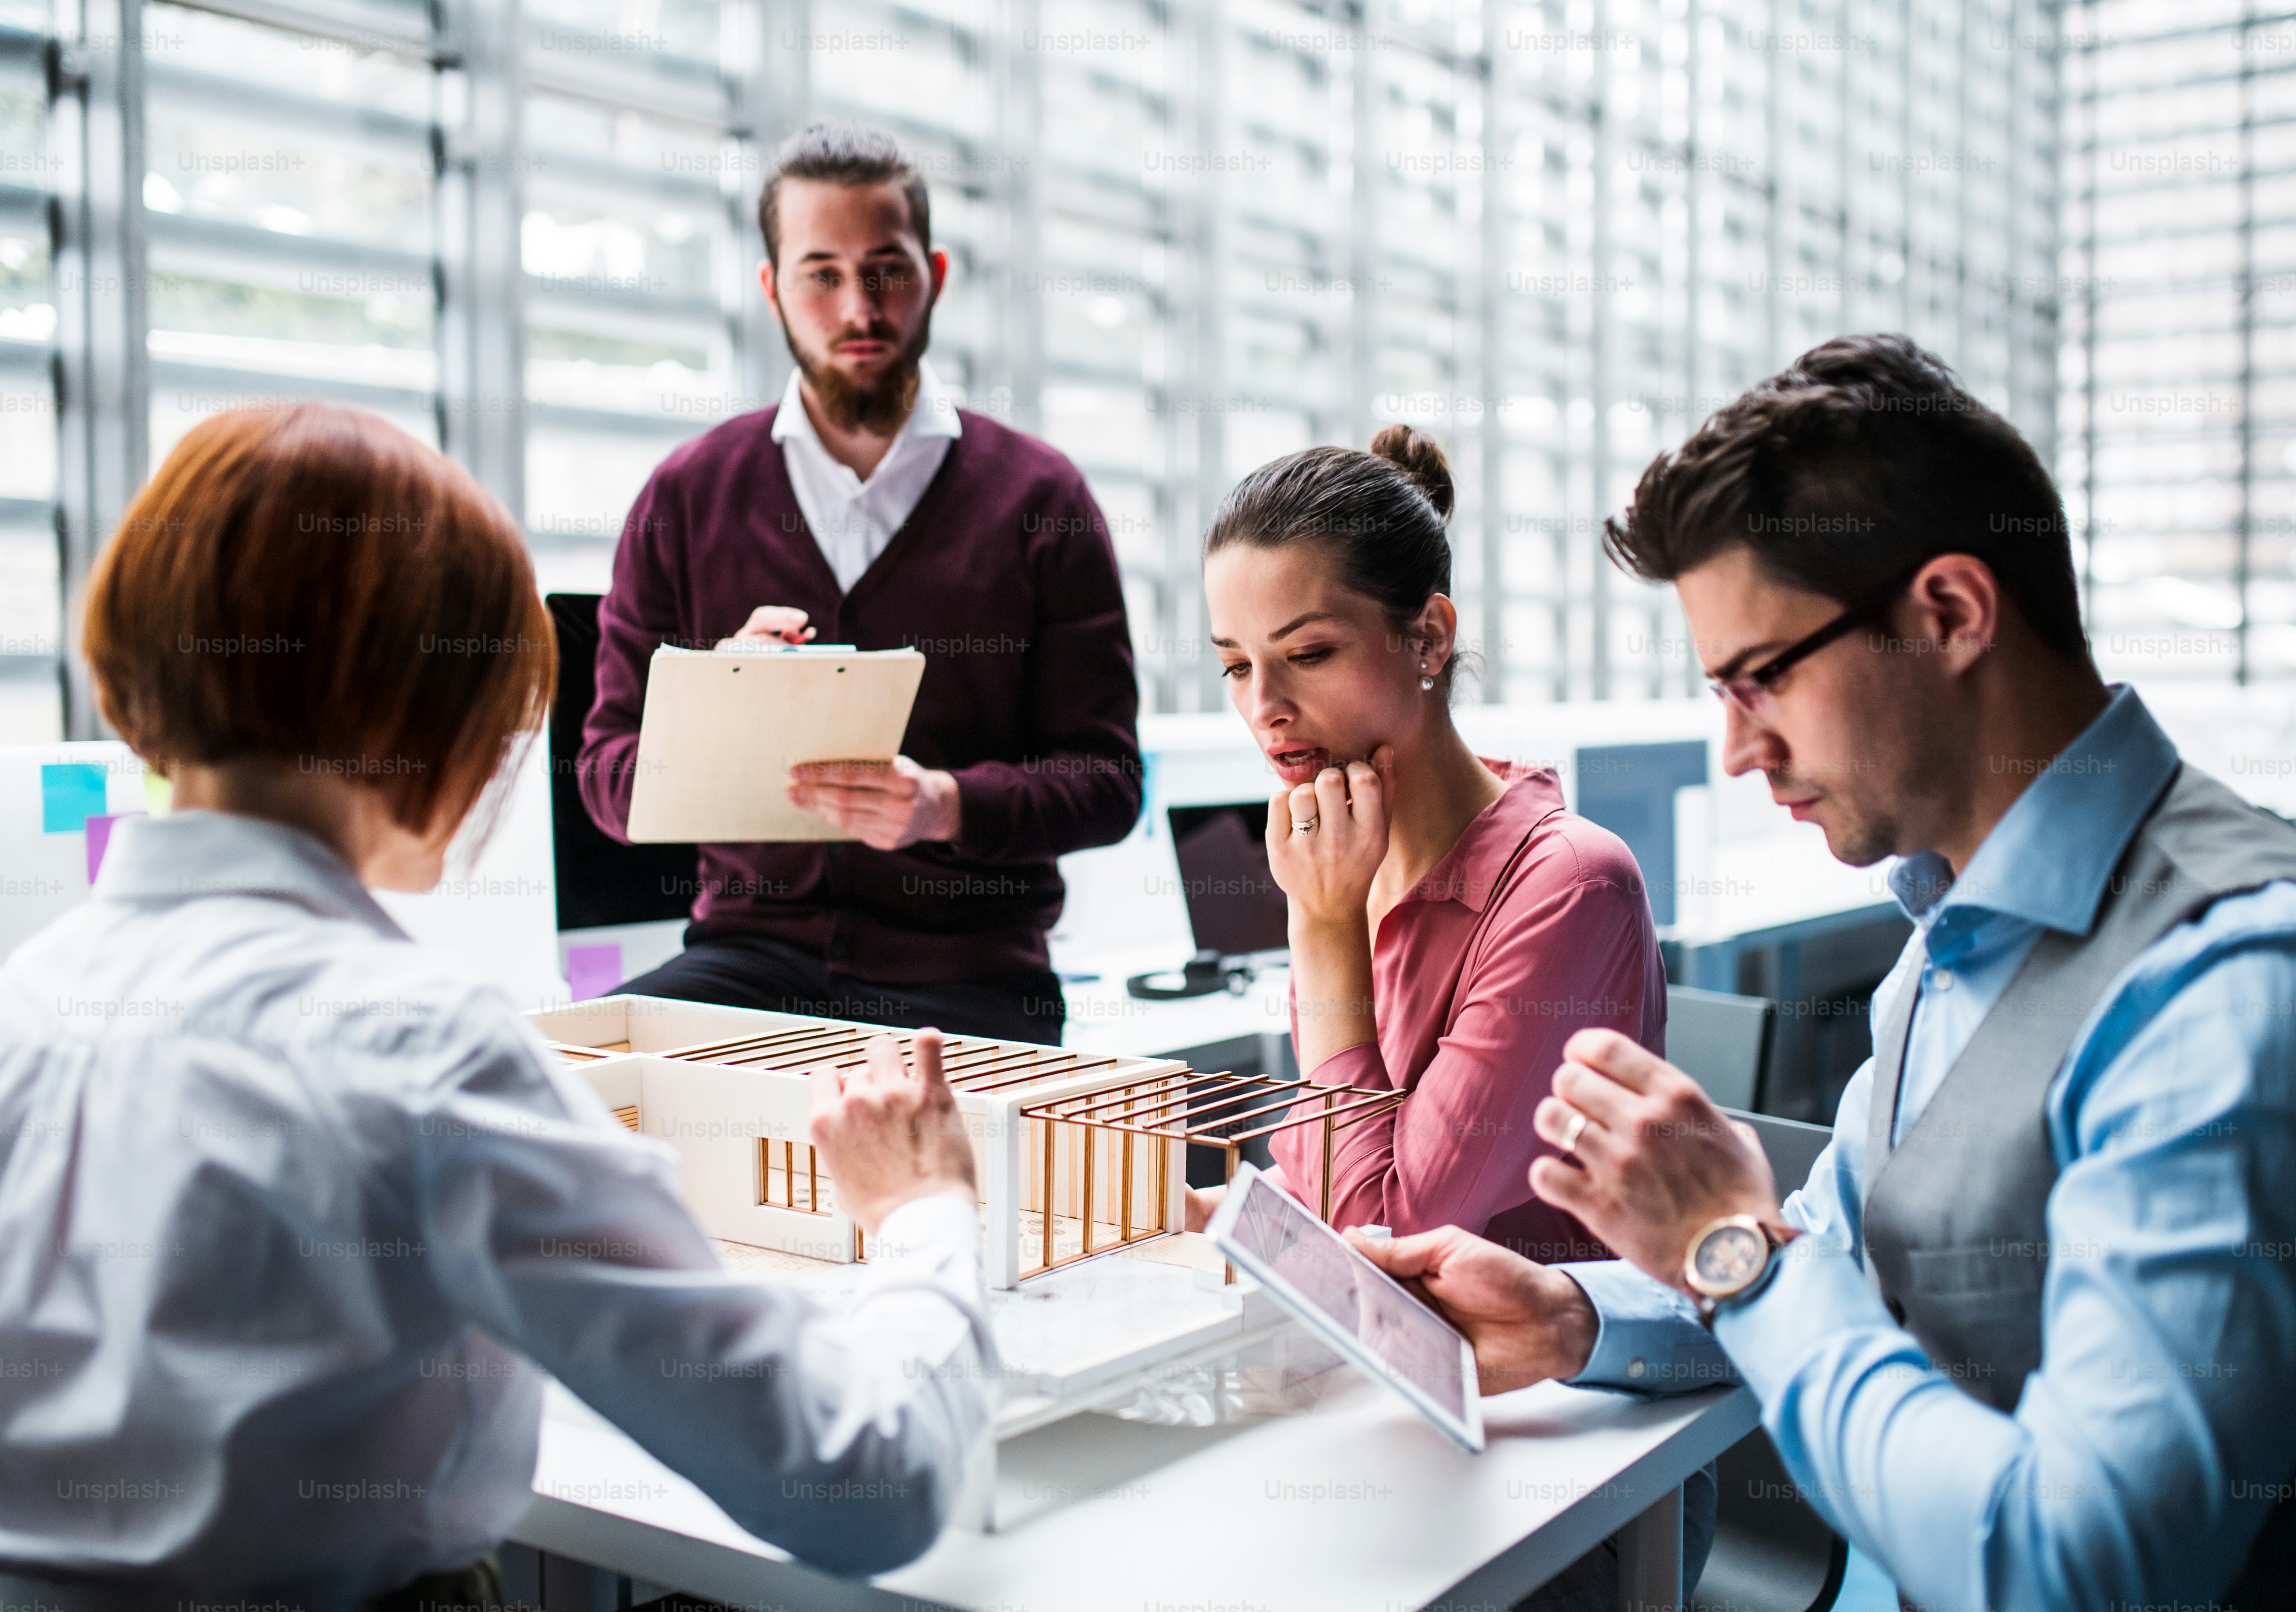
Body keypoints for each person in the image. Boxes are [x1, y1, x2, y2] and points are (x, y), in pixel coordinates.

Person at [1351, 335, 2296, 1610]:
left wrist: (1728, 1247)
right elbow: (1835, 1258)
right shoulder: (1940, 949)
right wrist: (1575, 1317)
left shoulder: (2222, 983)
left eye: (1758, 680)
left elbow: (2082, 1569)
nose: (1735, 751)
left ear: (1949, 615)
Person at [0, 403, 997, 1609]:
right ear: (436, 716)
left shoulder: (28, 1005)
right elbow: (862, 1481)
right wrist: (921, 1214)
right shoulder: (419, 1049)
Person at [582, 121, 1141, 1046]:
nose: (858, 309)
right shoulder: (685, 496)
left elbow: (1107, 780)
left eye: (886, 269)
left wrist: (946, 806)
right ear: (771, 290)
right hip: (749, 964)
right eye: (821, 274)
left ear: (937, 275)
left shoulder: (1042, 499)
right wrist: (712, 712)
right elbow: (604, 773)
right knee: (564, 1079)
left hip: (970, 976)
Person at [1184, 426, 1667, 1262]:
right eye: (1235, 666)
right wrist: (1226, 1213)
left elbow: (1389, 1235)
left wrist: (1322, 927)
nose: (1264, 705)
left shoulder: (1570, 886)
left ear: (1429, 639)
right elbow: (1325, 1175)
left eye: (1308, 653)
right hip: (1367, 1354)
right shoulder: (1346, 857)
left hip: (1523, 1380)